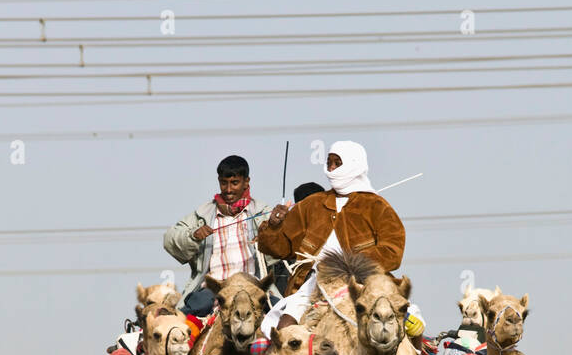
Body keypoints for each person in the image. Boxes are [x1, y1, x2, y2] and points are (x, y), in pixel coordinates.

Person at [257, 140, 406, 334]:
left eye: (338, 163)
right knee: (283, 330)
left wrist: (349, 264)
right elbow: (280, 248)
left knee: (399, 327)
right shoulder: (312, 204)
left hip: (363, 282)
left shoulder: (377, 206)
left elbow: (393, 251)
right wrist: (273, 226)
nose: (332, 169)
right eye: (329, 163)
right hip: (315, 282)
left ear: (355, 164)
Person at [163, 154, 276, 316]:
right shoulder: (204, 214)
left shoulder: (261, 213)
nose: (228, 189)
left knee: (281, 316)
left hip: (252, 286)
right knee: (186, 320)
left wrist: (277, 225)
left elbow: (282, 244)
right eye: (224, 183)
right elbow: (170, 239)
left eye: (234, 183)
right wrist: (193, 235)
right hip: (213, 289)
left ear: (246, 182)